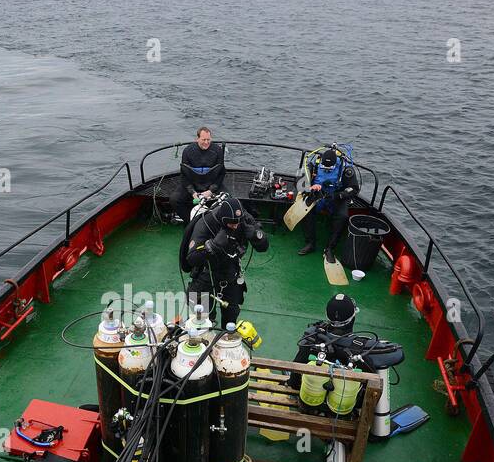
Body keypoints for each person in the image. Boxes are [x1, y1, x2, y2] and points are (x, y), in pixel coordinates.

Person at [181, 193, 269, 326]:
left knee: (231, 315)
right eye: (231, 223)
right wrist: (212, 246)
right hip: (207, 273)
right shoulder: (206, 223)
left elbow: (264, 246)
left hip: (231, 272)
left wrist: (256, 235)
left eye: (237, 223)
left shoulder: (243, 219)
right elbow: (191, 259)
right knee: (202, 320)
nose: (235, 226)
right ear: (222, 219)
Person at [288, 293, 404, 389]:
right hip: (345, 405)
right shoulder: (363, 347)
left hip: (310, 392)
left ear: (328, 317)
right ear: (352, 318)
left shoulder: (311, 334)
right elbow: (398, 353)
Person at [298, 145, 360, 264]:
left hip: (337, 197)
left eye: (329, 168)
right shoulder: (313, 165)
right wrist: (310, 187)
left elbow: (354, 188)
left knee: (342, 216)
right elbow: (299, 183)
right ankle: (310, 243)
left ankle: (330, 248)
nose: (326, 170)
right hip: (318, 195)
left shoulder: (346, 170)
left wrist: (339, 195)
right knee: (306, 210)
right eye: (323, 167)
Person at [173, 127, 226, 224]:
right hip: (193, 183)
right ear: (197, 139)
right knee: (175, 200)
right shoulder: (188, 151)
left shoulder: (217, 151)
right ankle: (191, 222)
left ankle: (215, 222)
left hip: (211, 183)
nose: (206, 142)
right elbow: (184, 175)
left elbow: (221, 173)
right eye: (203, 140)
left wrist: (211, 190)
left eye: (208, 140)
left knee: (228, 199)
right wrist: (192, 192)